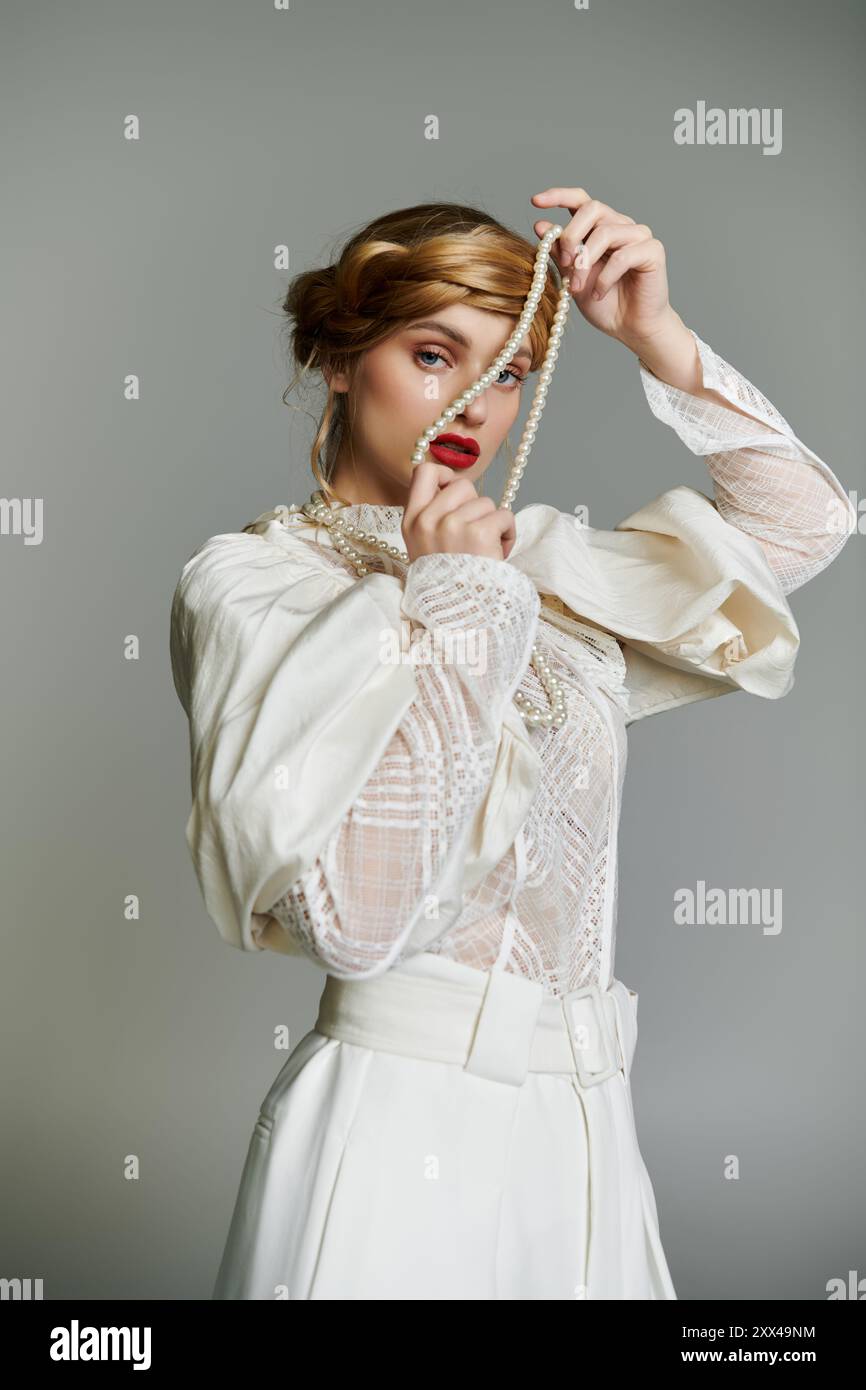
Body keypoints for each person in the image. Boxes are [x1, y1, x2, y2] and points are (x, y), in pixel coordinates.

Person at [169, 194, 855, 1300]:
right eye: (434, 353)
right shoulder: (257, 586)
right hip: (399, 1129)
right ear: (342, 361)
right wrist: (458, 599)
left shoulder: (534, 564)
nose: (475, 403)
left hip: (585, 1136)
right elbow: (358, 916)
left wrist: (653, 334)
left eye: (512, 371)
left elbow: (803, 529)